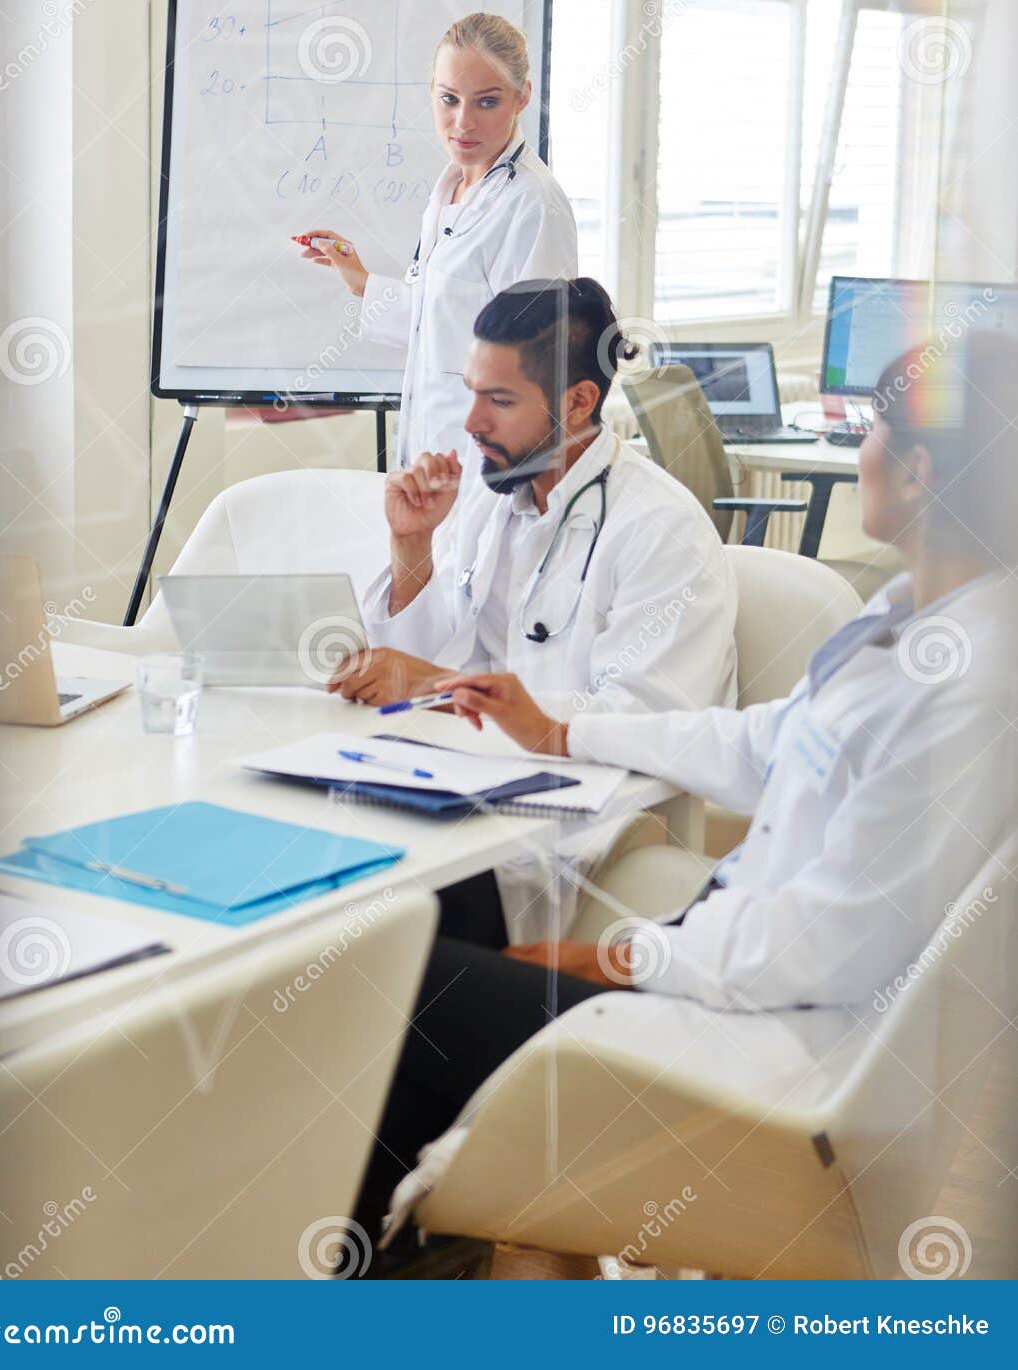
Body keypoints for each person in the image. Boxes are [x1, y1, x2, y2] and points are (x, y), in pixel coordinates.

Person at [350, 332, 1018, 1262]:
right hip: (738, 964)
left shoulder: (964, 685)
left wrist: (615, 958)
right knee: (444, 903)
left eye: (868, 430)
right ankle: (452, 1236)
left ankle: (372, 1276)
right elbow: (760, 741)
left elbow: (820, 947)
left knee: (397, 987)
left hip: (759, 1053)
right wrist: (558, 731)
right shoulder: (914, 615)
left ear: (912, 472)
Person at [329, 276, 739, 941]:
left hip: (571, 832)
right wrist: (412, 544)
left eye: (499, 400)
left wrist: (436, 686)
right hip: (458, 786)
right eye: (470, 394)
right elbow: (440, 657)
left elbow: (651, 722)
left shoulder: (659, 529)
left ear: (578, 401)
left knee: (369, 916)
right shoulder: (501, 498)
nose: (471, 424)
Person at [296, 13, 577, 468]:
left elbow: (535, 359)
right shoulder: (452, 189)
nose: (462, 122)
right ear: (431, 91)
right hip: (433, 450)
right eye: (449, 99)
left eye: (487, 102)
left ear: (522, 97)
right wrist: (361, 281)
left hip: (486, 463)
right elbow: (443, 323)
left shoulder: (533, 205)